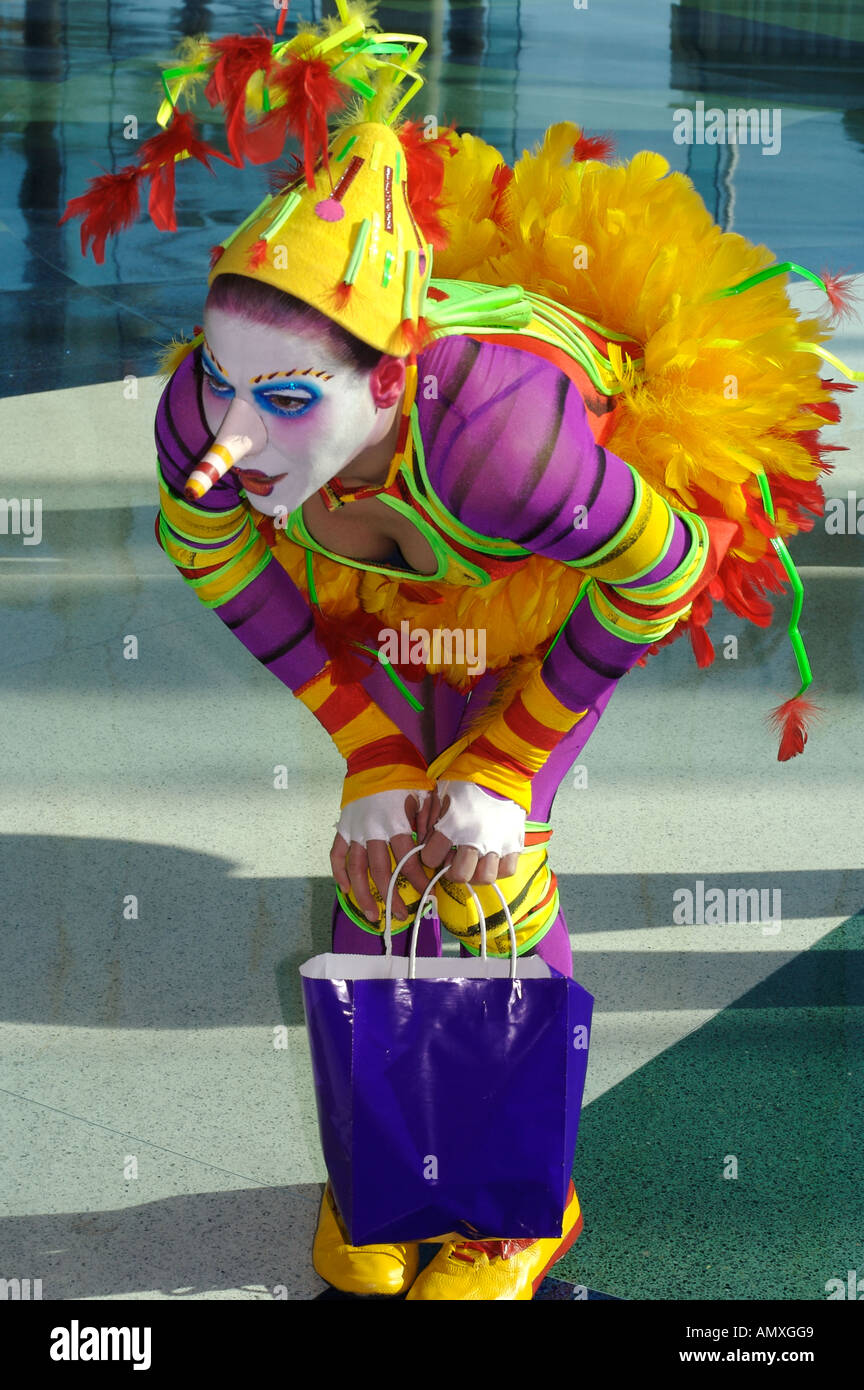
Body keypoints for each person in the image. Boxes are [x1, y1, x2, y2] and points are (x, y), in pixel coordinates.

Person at [61, 0, 853, 1299]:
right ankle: (387, 1173)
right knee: (382, 852)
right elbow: (211, 551)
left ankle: (513, 1200)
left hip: (558, 576)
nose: (234, 436)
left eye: (286, 399)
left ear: (385, 383)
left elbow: (659, 569)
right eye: (221, 379)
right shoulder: (205, 413)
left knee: (493, 864)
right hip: (393, 578)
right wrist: (370, 748)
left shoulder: (505, 445)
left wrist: (513, 759)